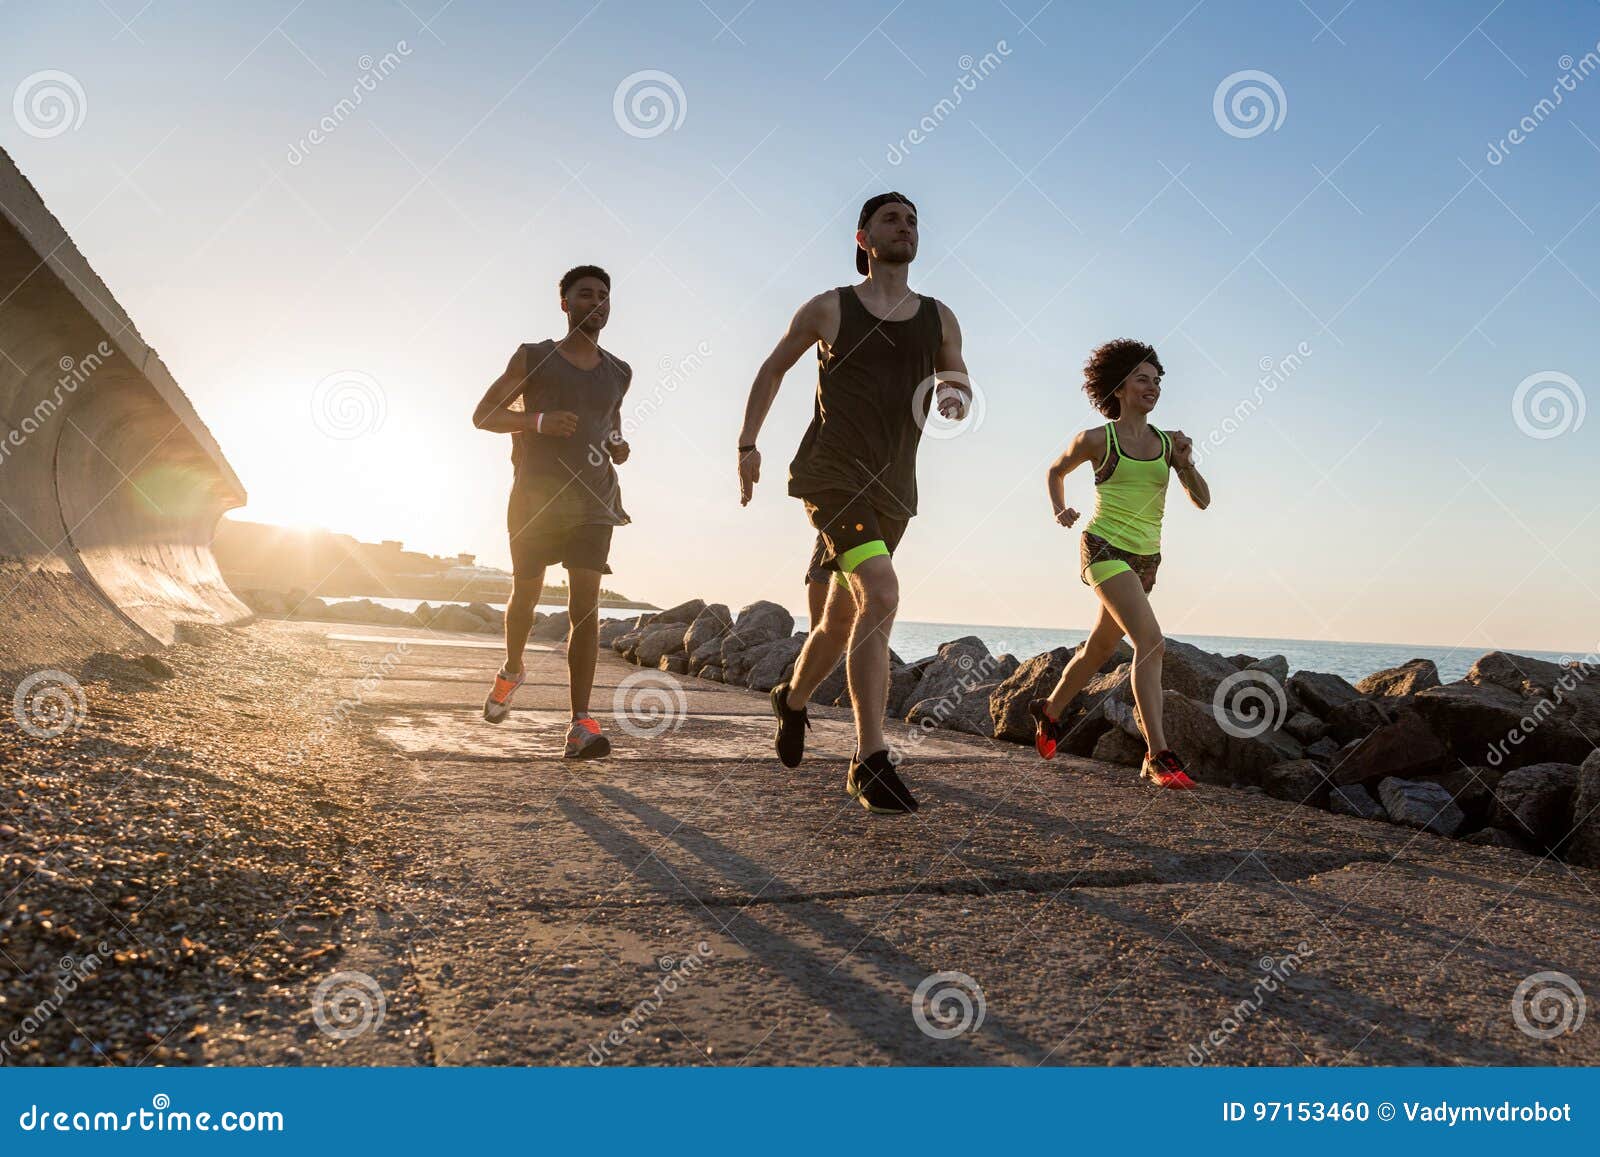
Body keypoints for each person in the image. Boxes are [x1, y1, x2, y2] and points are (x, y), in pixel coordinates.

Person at [737, 192, 970, 814]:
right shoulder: (828, 308)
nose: (906, 227)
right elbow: (772, 369)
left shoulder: (940, 317)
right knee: (884, 592)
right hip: (832, 477)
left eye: (914, 219)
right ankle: (870, 759)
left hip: (896, 487)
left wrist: (954, 397)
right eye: (892, 219)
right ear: (863, 236)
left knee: (841, 620)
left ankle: (790, 699)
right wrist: (748, 443)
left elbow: (958, 377)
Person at [1029, 340, 1211, 789]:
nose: (1153, 387)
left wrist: (1185, 465)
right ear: (1120, 387)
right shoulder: (1096, 439)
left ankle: (1049, 711)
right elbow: (1055, 471)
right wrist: (1059, 509)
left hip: (1147, 559)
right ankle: (1158, 755)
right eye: (1142, 379)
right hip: (1104, 548)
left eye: (1157, 381)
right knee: (1151, 642)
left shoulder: (1170, 443)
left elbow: (1203, 500)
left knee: (1098, 649)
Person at [471, 265, 632, 759]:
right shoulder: (534, 357)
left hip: (594, 499)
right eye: (586, 295)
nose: (597, 303)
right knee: (526, 592)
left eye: (604, 296)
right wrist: (538, 421)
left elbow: (610, 425)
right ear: (565, 304)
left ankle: (580, 723)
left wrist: (618, 443)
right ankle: (512, 668)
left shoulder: (619, 371)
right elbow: (484, 416)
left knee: (585, 607)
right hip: (536, 497)